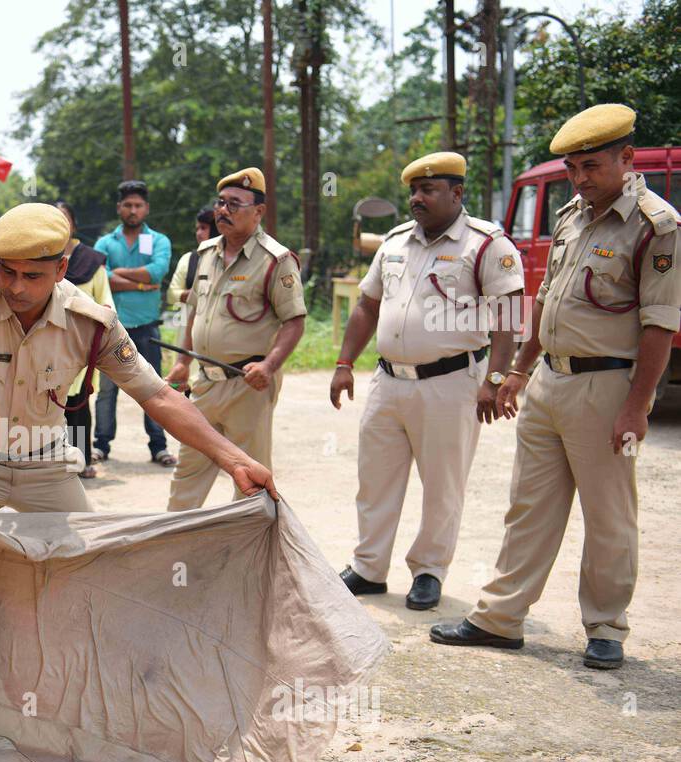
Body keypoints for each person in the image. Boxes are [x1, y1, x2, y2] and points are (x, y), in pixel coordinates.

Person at [432, 104, 681, 670]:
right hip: (549, 381)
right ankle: (500, 618)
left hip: (607, 388)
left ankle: (606, 627)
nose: (580, 178)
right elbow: (544, 301)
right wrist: (518, 370)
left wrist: (637, 408)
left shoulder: (656, 225)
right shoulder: (572, 215)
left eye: (591, 166)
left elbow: (660, 325)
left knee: (608, 513)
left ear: (626, 158)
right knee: (529, 506)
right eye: (572, 168)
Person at [0, 203, 277, 513]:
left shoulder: (92, 322)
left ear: (62, 269)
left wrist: (233, 458)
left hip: (46, 465)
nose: (14, 286)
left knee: (82, 568)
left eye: (32, 276)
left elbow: (158, 396)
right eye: (6, 271)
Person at [329, 152, 524, 611]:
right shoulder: (395, 242)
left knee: (443, 484)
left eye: (429, 190)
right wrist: (343, 362)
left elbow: (511, 317)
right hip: (388, 380)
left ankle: (429, 571)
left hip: (452, 381)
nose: (417, 198)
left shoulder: (487, 244)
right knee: (374, 479)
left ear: (457, 193)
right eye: (414, 190)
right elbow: (367, 305)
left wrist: (495, 377)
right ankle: (368, 567)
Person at [166, 167, 306, 510]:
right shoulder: (205, 254)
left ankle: (245, 559)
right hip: (204, 383)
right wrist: (183, 361)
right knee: (188, 470)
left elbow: (294, 321)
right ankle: (172, 549)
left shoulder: (276, 260)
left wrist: (270, 366)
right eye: (220, 203)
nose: (223, 211)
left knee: (249, 477)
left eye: (234, 204)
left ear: (258, 211)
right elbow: (195, 312)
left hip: (248, 385)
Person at [92, 179, 174, 466]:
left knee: (153, 387)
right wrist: (139, 285)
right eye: (127, 205)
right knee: (107, 390)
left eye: (138, 205)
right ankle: (100, 445)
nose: (133, 210)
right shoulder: (105, 242)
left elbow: (158, 271)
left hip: (147, 327)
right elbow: (102, 277)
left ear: (146, 208)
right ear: (119, 208)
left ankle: (159, 447)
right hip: (112, 327)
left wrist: (121, 276)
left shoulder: (159, 240)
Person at [53, 200, 113, 479]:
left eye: (64, 219)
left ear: (74, 225)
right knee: (46, 408)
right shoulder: (37, 258)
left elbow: (106, 306)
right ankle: (49, 463)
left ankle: (82, 459)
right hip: (46, 347)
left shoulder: (93, 262)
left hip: (80, 349)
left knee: (78, 406)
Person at [167, 206, 216, 310]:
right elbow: (171, 295)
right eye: (197, 229)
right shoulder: (188, 258)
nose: (198, 233)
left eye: (203, 228)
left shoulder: (229, 257)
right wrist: (195, 294)